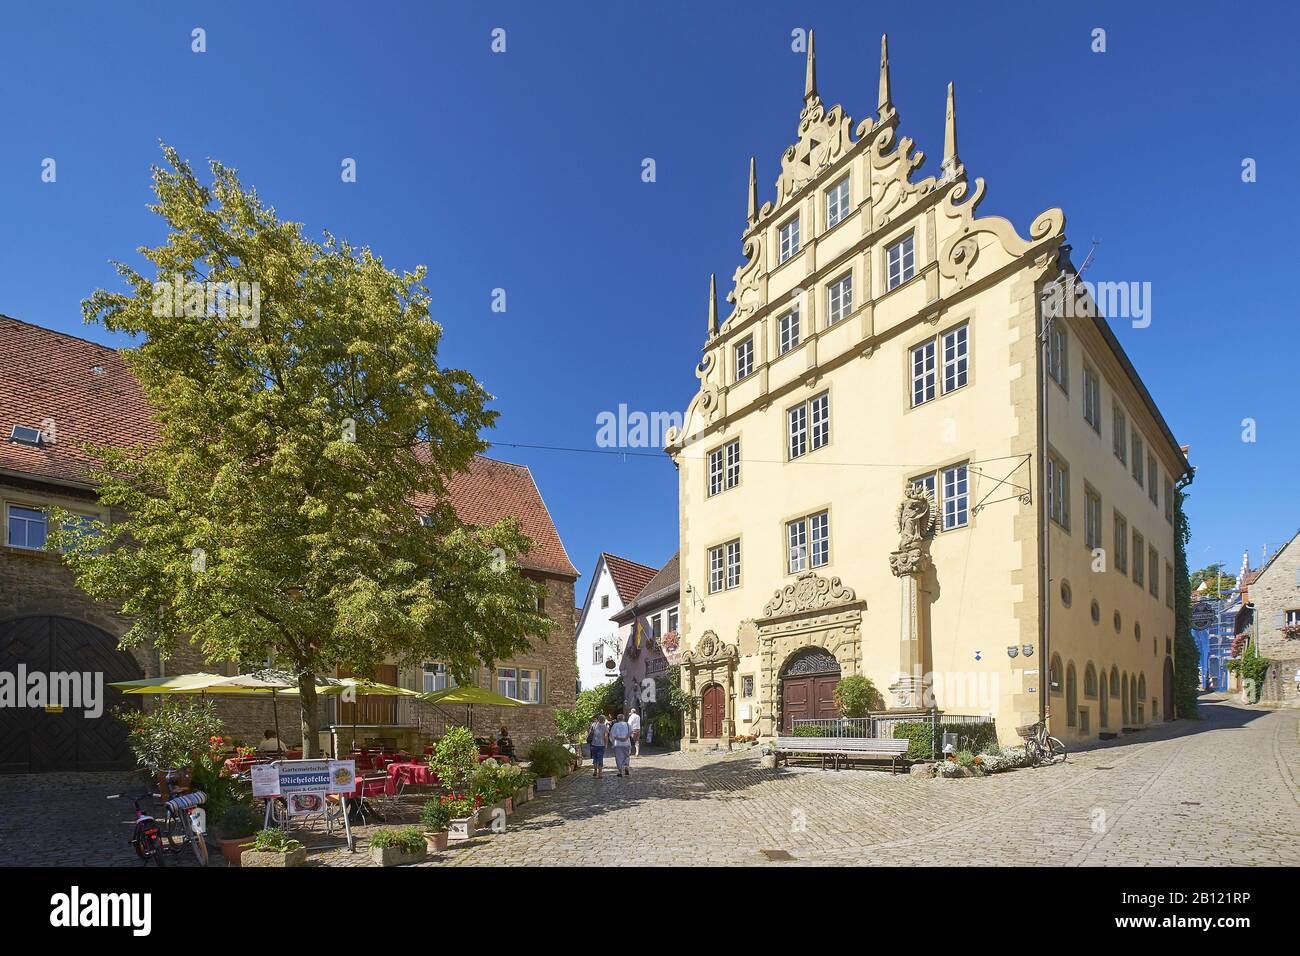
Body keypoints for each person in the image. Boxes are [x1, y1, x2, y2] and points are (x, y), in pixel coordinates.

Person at [609, 712, 633, 777]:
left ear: (617, 719)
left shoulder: (615, 725)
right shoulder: (627, 724)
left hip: (618, 744)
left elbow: (611, 735)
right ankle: (626, 767)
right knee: (626, 756)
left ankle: (620, 772)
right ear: (623, 718)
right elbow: (631, 732)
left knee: (618, 757)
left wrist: (614, 741)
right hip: (626, 743)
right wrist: (625, 738)